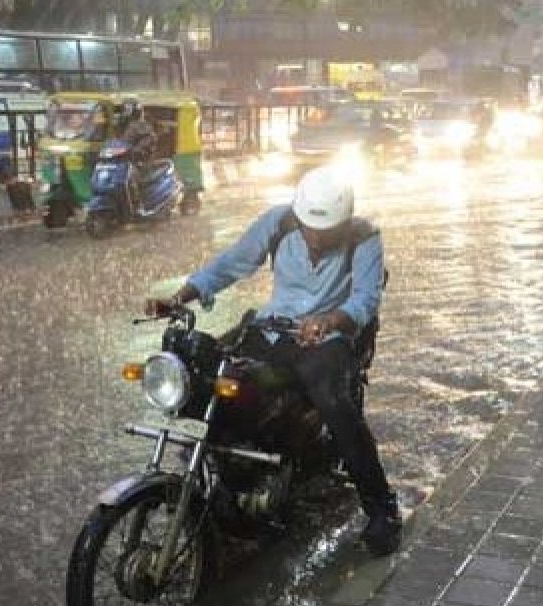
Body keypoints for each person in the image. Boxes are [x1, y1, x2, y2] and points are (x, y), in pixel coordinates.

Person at [144, 167, 403, 556]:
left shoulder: (365, 237)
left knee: (335, 404)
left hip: (328, 340)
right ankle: (226, 477)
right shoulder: (278, 222)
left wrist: (329, 320)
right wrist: (182, 295)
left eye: (326, 231)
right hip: (271, 329)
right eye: (309, 229)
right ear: (297, 216)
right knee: (210, 378)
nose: (315, 238)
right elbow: (233, 262)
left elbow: (366, 299)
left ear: (344, 222)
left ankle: (382, 508)